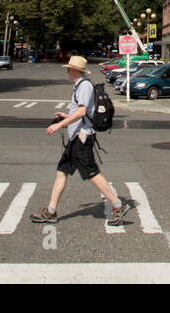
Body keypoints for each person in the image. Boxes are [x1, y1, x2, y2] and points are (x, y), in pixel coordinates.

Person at [31, 55, 128, 225]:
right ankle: (51, 211)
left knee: (92, 173)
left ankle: (118, 205)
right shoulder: (79, 86)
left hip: (82, 138)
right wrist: (66, 117)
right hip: (76, 136)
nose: (67, 71)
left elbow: (82, 112)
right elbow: (82, 113)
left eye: (69, 68)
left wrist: (59, 124)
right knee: (62, 172)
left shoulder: (84, 86)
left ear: (75, 71)